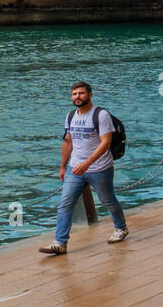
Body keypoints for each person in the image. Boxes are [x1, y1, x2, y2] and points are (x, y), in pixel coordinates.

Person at [39, 81, 128, 255]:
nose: (77, 97)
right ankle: (60, 242)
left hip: (100, 168)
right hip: (75, 168)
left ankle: (121, 228)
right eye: (74, 94)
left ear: (90, 95)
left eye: (81, 93)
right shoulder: (71, 116)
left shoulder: (101, 115)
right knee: (65, 204)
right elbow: (68, 142)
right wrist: (63, 166)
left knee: (108, 201)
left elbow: (105, 142)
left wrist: (87, 163)